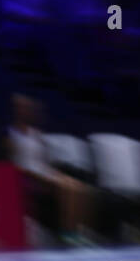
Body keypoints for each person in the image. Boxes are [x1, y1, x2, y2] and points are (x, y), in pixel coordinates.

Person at [7, 94, 91, 246]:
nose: (25, 110)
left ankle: (79, 232)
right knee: (67, 189)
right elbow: (12, 163)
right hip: (25, 173)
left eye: (27, 107)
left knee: (80, 188)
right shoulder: (11, 134)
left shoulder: (37, 134)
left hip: (43, 171)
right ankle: (67, 233)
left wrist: (55, 174)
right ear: (16, 110)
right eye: (21, 107)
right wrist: (37, 175)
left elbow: (45, 159)